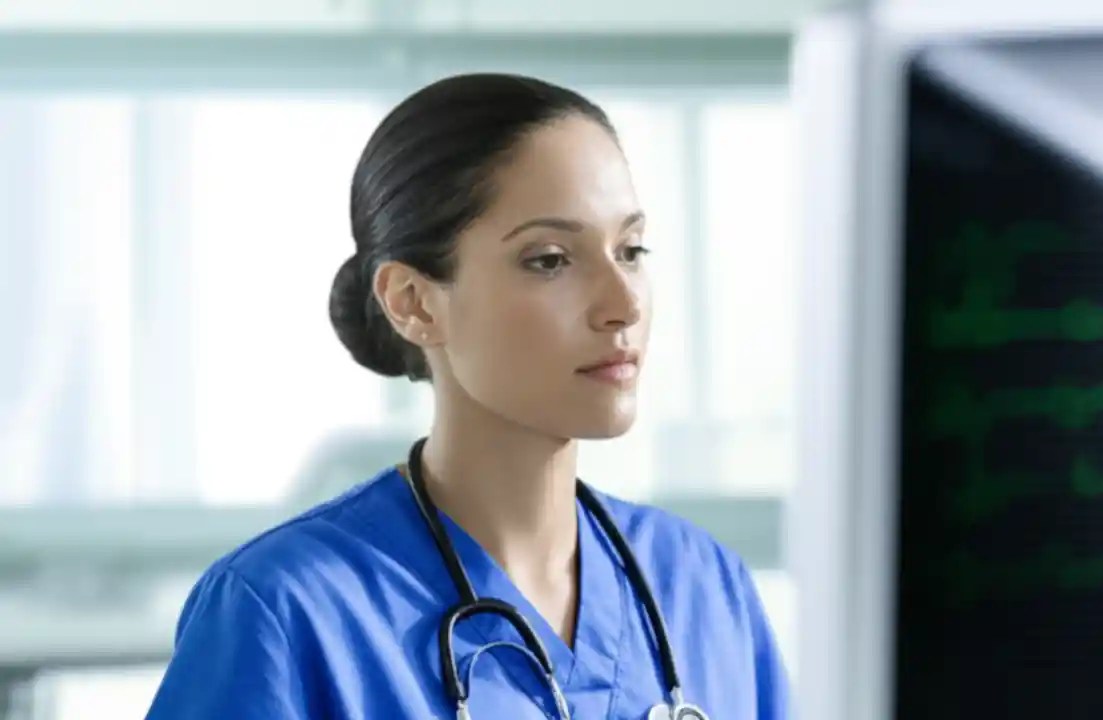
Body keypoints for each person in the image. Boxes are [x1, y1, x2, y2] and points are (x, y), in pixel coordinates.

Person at [144, 73, 789, 719]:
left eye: (630, 250)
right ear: (414, 303)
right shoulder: (287, 613)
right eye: (550, 259)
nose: (623, 304)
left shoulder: (703, 588)